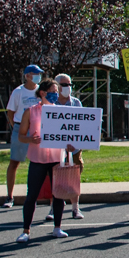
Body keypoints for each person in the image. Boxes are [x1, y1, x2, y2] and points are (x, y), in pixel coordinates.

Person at [16, 80, 75, 242]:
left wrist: (70, 146)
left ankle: (57, 227)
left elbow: (68, 134)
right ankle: (26, 230)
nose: (56, 94)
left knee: (58, 195)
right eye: (53, 91)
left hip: (57, 158)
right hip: (37, 158)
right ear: (42, 92)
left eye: (57, 91)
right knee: (32, 195)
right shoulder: (30, 112)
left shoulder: (61, 111)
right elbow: (20, 136)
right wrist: (30, 139)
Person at [4, 64, 44, 208]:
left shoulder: (41, 91)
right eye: (35, 73)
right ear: (27, 76)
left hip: (37, 129)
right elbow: (10, 111)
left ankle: (39, 195)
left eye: (39, 74)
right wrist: (16, 126)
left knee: (41, 163)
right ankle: (9, 196)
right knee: (14, 162)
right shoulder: (18, 92)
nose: (38, 76)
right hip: (20, 127)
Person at [55, 73, 86, 219]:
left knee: (74, 177)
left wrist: (77, 144)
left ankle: (75, 208)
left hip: (74, 149)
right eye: (64, 84)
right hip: (55, 150)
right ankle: (53, 208)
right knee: (56, 178)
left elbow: (82, 126)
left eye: (69, 85)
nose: (68, 88)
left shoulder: (76, 103)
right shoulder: (51, 103)